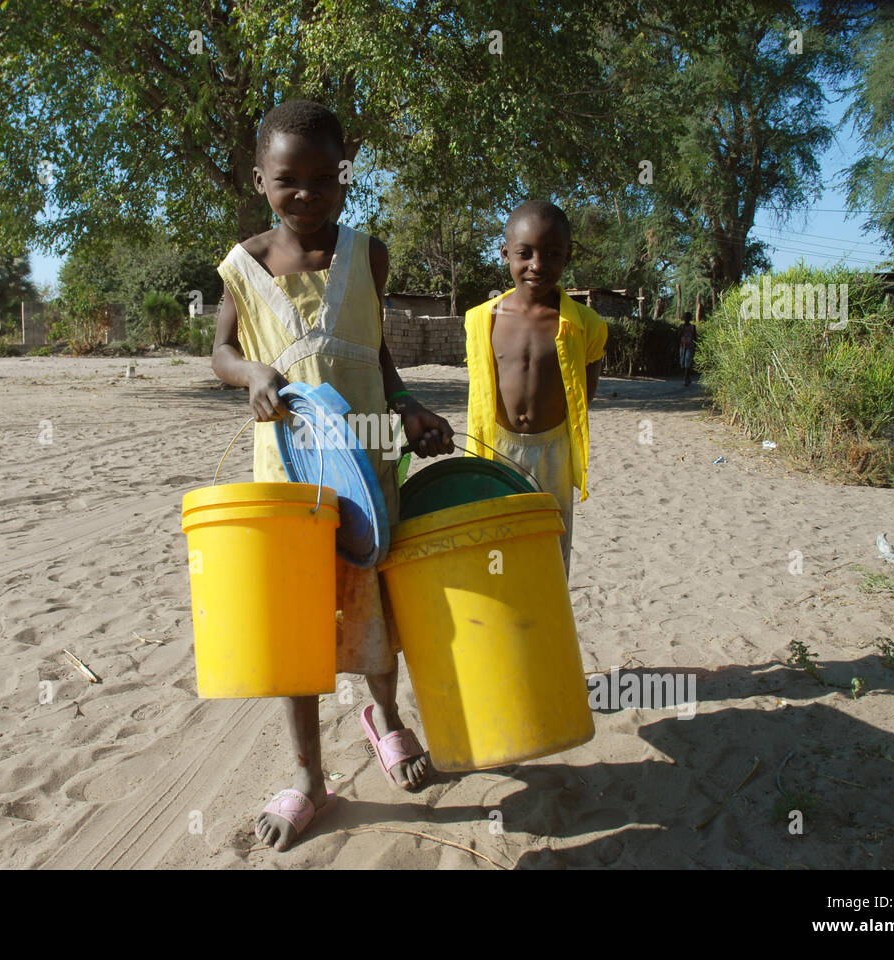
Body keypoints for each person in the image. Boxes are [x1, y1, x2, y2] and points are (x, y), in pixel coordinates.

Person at [210, 100, 455, 851]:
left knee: (374, 599)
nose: (308, 193)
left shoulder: (367, 255)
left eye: (326, 178)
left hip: (368, 461)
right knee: (297, 625)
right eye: (290, 180)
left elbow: (378, 354)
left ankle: (385, 715)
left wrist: (410, 403)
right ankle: (309, 774)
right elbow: (219, 353)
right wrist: (251, 371)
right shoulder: (244, 264)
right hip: (286, 479)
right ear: (261, 180)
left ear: (347, 180)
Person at [463, 200, 607, 579]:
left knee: (549, 550)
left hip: (553, 451)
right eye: (525, 253)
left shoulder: (585, 324)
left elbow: (583, 394)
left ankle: (547, 625)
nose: (537, 265)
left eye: (552, 254)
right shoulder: (482, 320)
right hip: (498, 447)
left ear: (567, 257)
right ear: (505, 252)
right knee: (497, 547)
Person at [678, 313, 697, 386]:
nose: (686, 319)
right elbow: (678, 336)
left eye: (688, 318)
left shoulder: (693, 327)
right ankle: (688, 378)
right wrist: (681, 330)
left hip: (690, 346)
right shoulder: (681, 326)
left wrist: (696, 346)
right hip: (682, 346)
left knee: (687, 362)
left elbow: (695, 337)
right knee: (682, 363)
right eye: (685, 318)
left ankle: (686, 379)